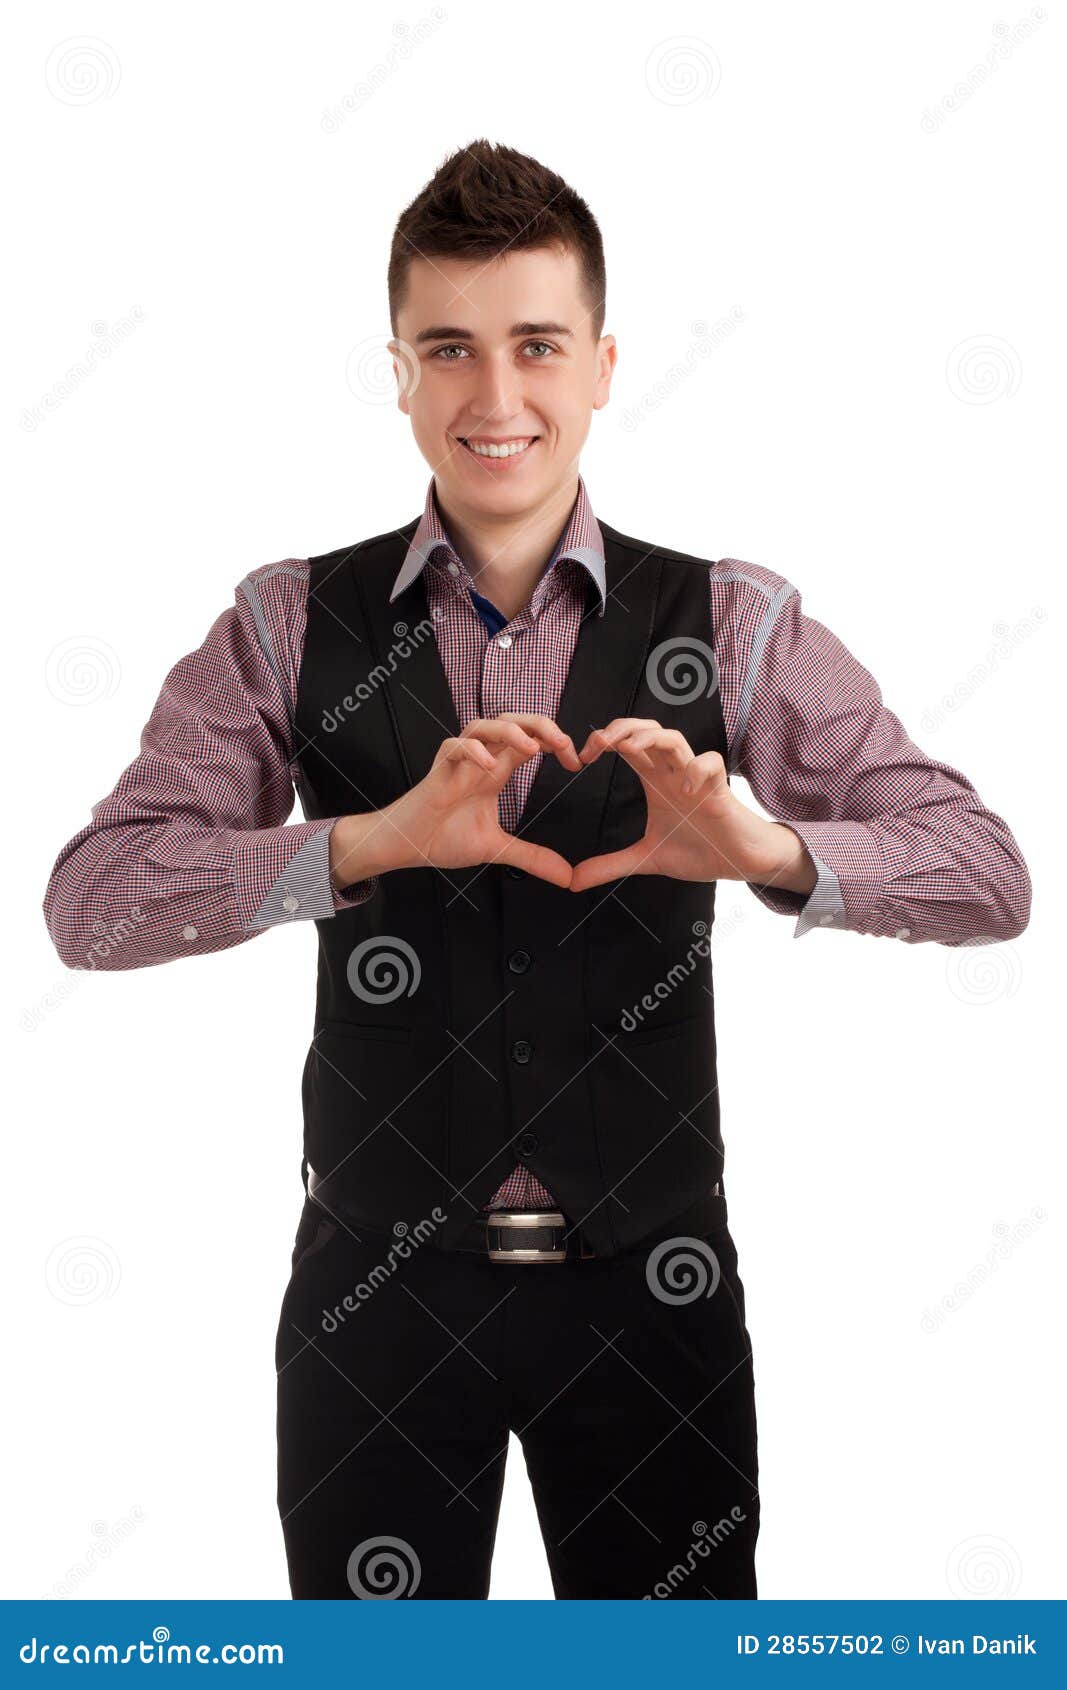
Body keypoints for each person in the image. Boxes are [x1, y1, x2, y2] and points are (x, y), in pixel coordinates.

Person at [42, 138, 1031, 1600]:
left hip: (653, 1292)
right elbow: (94, 903)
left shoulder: (733, 621)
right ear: (396, 369)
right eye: (449, 348)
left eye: (535, 346)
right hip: (375, 1292)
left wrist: (760, 846)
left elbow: (987, 871)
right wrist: (367, 844)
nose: (495, 400)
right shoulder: (279, 623)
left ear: (605, 362)